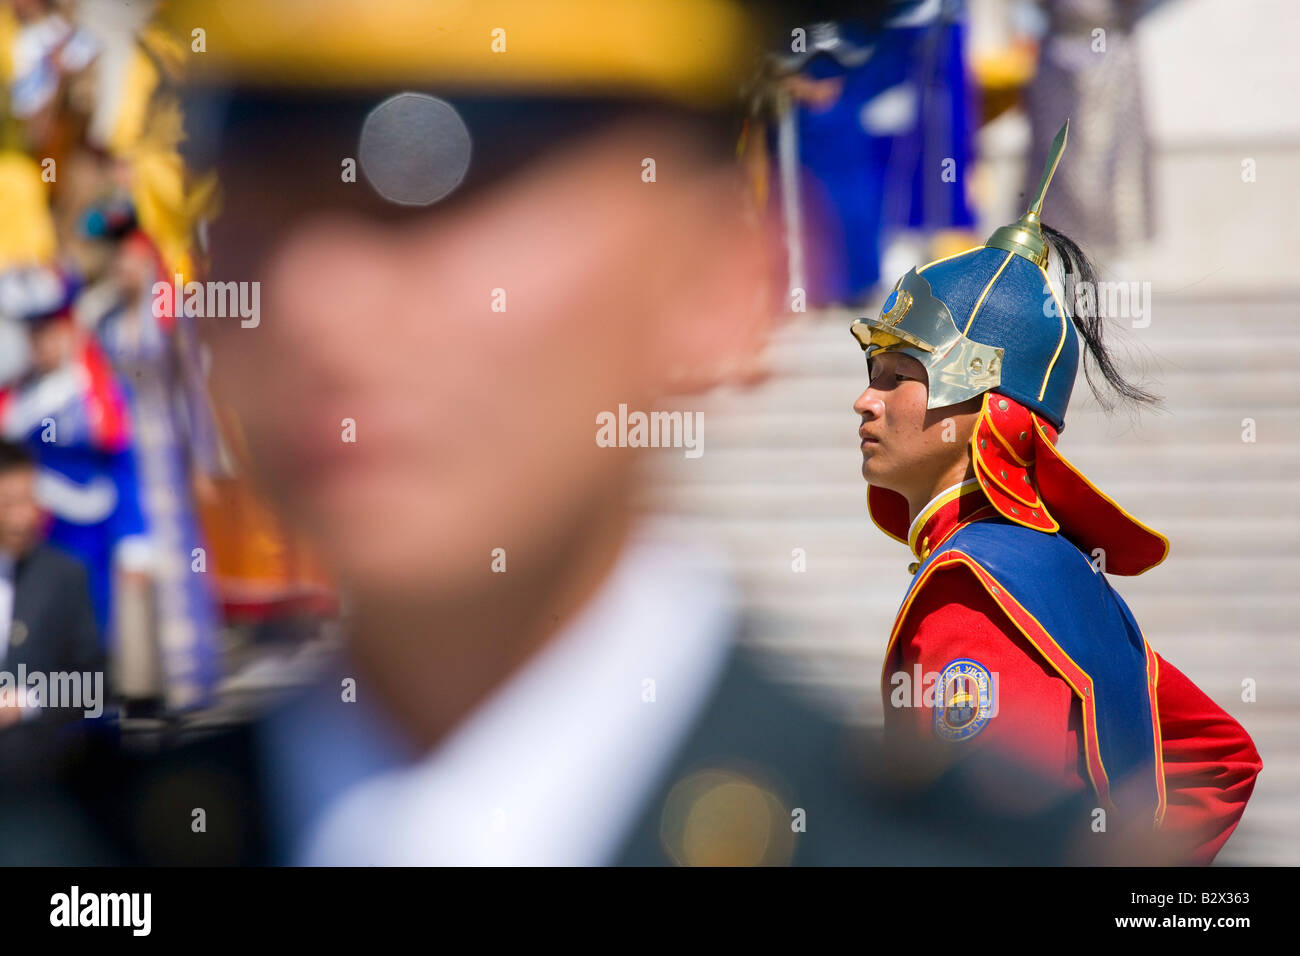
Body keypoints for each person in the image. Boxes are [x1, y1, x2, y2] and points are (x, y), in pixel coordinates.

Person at [850, 120, 1262, 864]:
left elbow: (985, 846)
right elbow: (1219, 760)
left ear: (986, 409)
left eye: (895, 377)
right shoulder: (1067, 572)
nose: (865, 401)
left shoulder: (971, 589)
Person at [0, 438, 102, 774]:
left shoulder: (63, 576)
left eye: (30, 500)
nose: (24, 518)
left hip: (28, 773)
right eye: (9, 504)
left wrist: (24, 702)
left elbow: (93, 684)